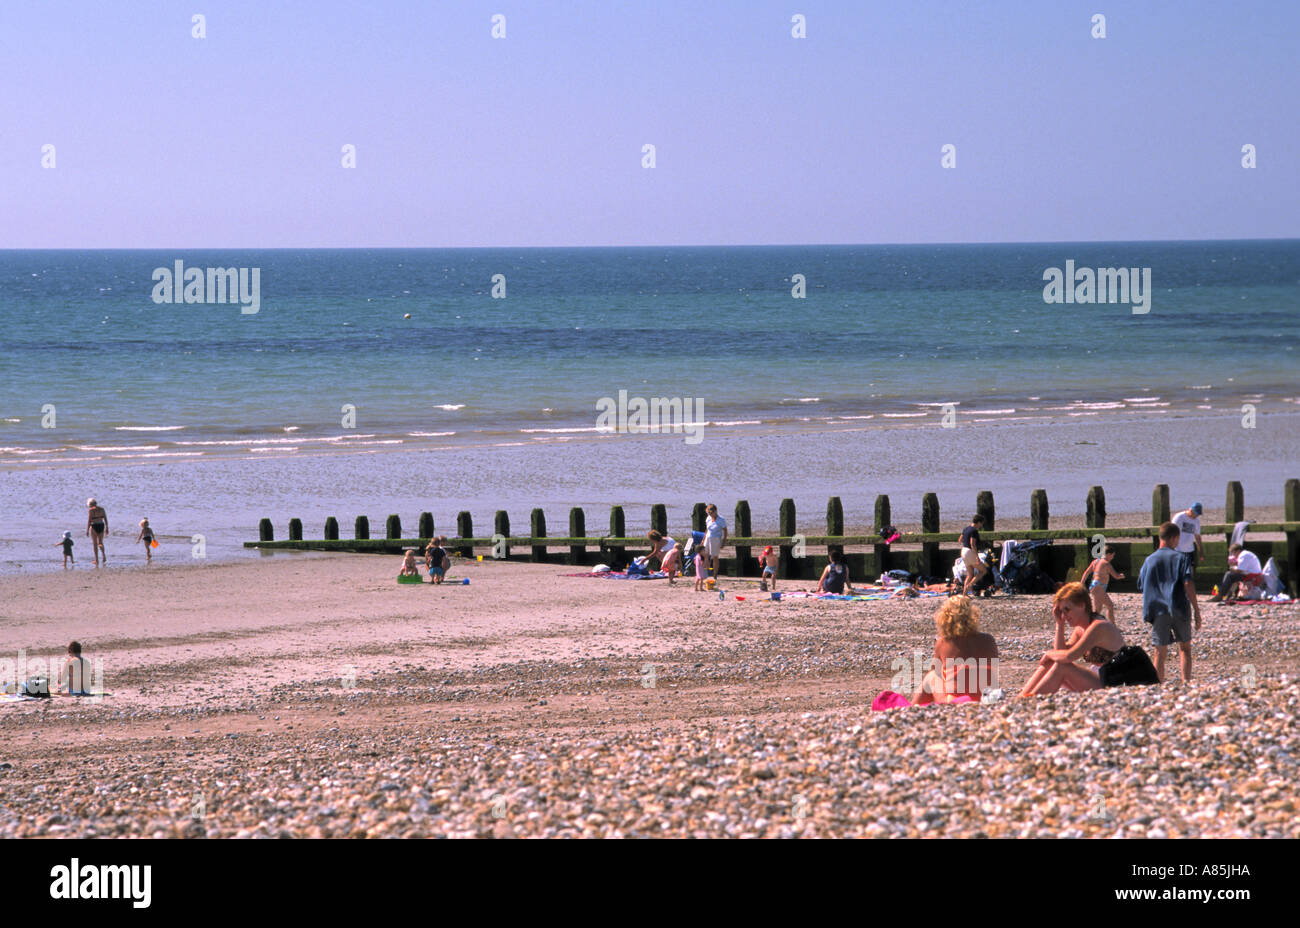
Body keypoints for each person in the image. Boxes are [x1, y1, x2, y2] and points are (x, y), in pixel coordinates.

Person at [1019, 582, 1125, 696]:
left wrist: (1049, 653)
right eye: (1061, 611)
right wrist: (1059, 624)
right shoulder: (1080, 629)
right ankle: (1021, 698)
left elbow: (1069, 656)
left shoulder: (1099, 626)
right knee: (1053, 662)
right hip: (1101, 679)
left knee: (1062, 666)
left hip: (1116, 684)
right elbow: (1060, 653)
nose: (1064, 616)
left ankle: (1029, 701)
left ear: (1082, 605)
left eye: (1067, 609)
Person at [1138, 521, 1201, 684]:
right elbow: (1188, 583)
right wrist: (1197, 610)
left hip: (1158, 610)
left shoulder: (1149, 560)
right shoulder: (1182, 558)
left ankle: (1157, 685)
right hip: (1179, 607)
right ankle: (1186, 682)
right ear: (1174, 538)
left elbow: (1141, 584)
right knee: (1185, 649)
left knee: (1159, 652)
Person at [913, 596, 999, 705]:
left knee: (932, 676)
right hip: (987, 698)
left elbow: (936, 671)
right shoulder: (988, 640)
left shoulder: (943, 642)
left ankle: (913, 707)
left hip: (955, 701)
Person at [1080, 545, 1124, 621]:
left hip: (1094, 586)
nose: (1112, 558)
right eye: (1112, 555)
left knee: (1097, 610)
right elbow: (1116, 576)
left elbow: (1086, 572)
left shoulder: (1095, 561)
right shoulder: (1107, 564)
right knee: (1110, 605)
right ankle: (1113, 627)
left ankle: (1091, 625)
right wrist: (1122, 576)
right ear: (1108, 554)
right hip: (1099, 587)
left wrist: (1082, 583)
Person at [1171, 502, 1204, 572]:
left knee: (1189, 573)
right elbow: (1172, 533)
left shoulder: (1196, 521)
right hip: (1178, 550)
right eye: (1196, 514)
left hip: (1189, 551)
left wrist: (1201, 551)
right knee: (1178, 572)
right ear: (1191, 510)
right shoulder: (1179, 517)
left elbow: (1197, 536)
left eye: (1198, 514)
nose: (1197, 516)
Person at [959, 515, 987, 594]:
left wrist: (966, 542)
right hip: (969, 551)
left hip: (963, 550)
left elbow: (960, 539)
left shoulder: (966, 529)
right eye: (981, 524)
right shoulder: (974, 531)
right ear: (978, 522)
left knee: (970, 574)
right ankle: (970, 585)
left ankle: (964, 594)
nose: (981, 526)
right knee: (983, 571)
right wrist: (977, 557)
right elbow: (972, 544)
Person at [703, 504, 728, 579]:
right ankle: (706, 573)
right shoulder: (708, 518)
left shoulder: (721, 520)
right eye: (708, 514)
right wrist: (703, 539)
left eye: (711, 513)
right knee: (705, 555)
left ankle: (715, 575)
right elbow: (707, 529)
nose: (710, 515)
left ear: (715, 511)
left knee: (714, 557)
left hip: (716, 539)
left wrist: (723, 542)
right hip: (708, 538)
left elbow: (725, 531)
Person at [85, 498, 108, 566]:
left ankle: (96, 559)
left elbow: (89, 520)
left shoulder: (91, 510)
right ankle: (104, 556)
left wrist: (87, 530)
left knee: (95, 544)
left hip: (94, 526)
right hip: (101, 525)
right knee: (100, 543)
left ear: (90, 504)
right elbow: (105, 518)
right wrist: (107, 527)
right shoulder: (102, 509)